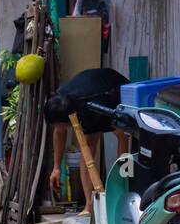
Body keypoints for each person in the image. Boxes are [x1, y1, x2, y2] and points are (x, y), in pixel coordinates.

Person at [45, 67, 131, 214]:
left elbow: (123, 137)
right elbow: (59, 132)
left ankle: (124, 193)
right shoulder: (60, 100)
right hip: (91, 92)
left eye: (61, 125)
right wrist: (56, 167)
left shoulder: (95, 106)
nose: (59, 128)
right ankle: (89, 206)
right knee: (86, 153)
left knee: (121, 137)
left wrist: (124, 173)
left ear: (72, 119)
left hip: (115, 92)